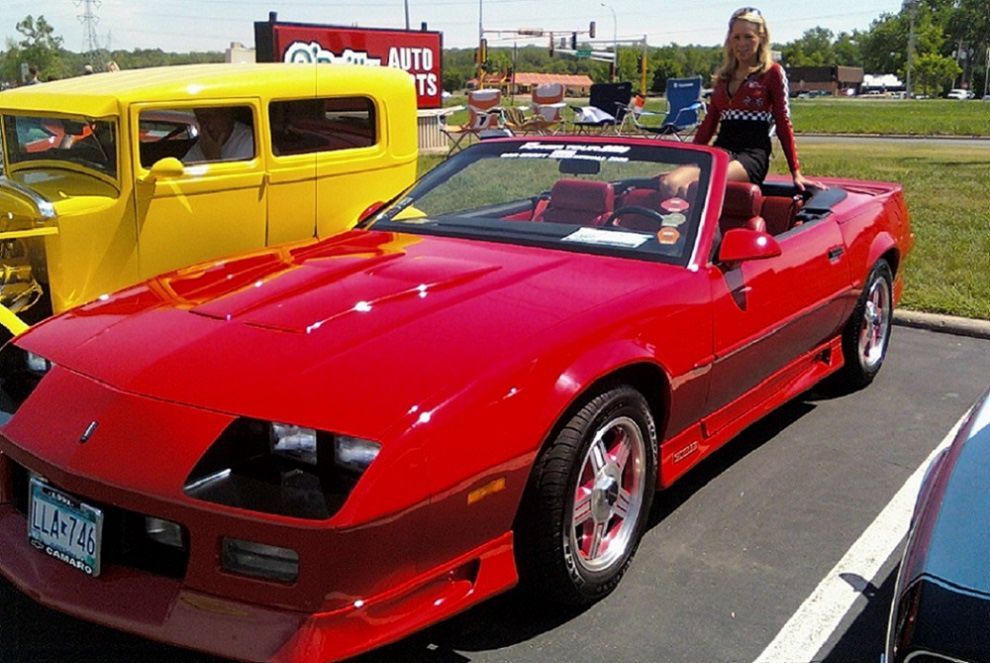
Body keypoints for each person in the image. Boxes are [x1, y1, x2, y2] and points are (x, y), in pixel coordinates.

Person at [663, 7, 819, 197]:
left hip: (752, 154)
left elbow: (783, 121)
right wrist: (687, 161)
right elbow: (708, 126)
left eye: (748, 37)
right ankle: (677, 227)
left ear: (761, 38)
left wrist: (796, 172)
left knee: (700, 185)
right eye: (736, 37)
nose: (741, 43)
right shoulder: (723, 78)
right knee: (670, 183)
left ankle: (712, 227)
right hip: (722, 149)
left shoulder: (772, 73)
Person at [183, 107, 254, 163]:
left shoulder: (249, 141)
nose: (207, 127)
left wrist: (213, 158)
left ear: (226, 115)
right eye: (201, 120)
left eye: (209, 118)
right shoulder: (205, 144)